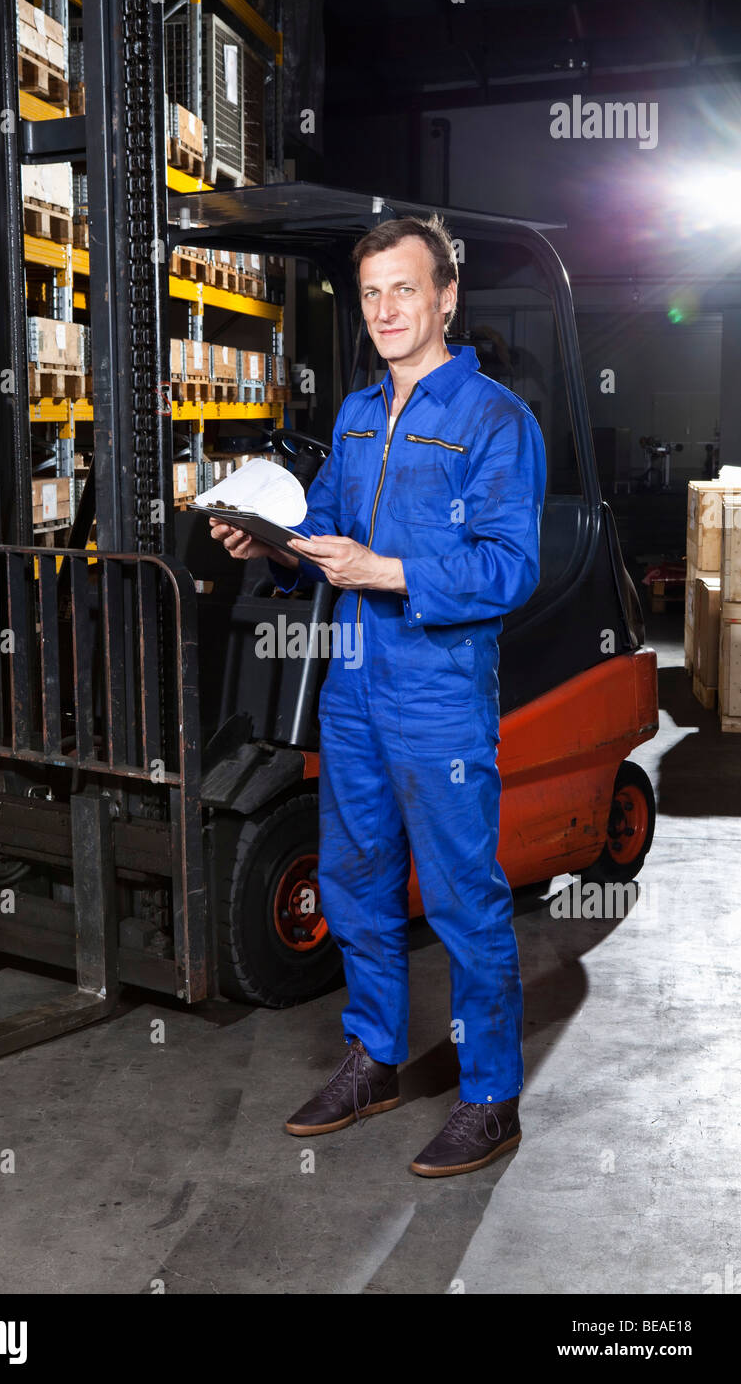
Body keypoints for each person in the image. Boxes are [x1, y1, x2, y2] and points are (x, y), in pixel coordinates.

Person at [209, 215, 546, 1177]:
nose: (387, 309)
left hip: (437, 693)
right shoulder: (357, 417)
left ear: (446, 297)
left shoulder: (493, 419)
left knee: (461, 896)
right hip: (352, 686)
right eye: (371, 294)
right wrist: (268, 542)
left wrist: (386, 569)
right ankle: (375, 1059)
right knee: (356, 881)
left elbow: (510, 568)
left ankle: (490, 1097)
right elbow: (325, 535)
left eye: (406, 289)